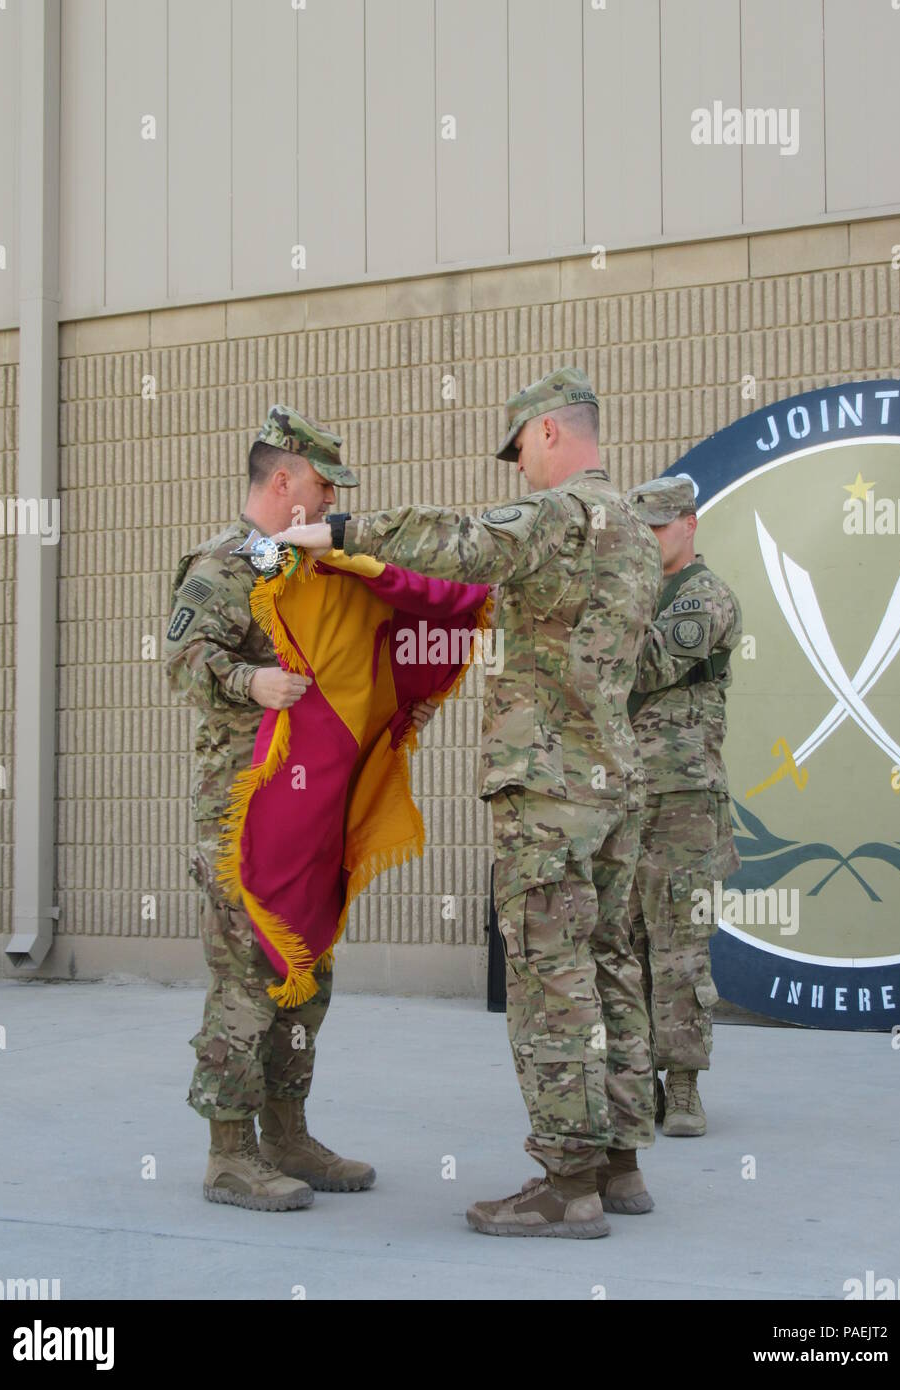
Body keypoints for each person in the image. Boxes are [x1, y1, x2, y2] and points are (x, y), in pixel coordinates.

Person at [276, 367, 662, 1239]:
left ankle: (566, 1186)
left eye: (519, 447)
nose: (519, 466)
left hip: (549, 788)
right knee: (609, 966)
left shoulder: (560, 513)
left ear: (551, 431)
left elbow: (463, 543)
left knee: (548, 976)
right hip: (613, 786)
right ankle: (620, 1165)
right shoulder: (637, 531)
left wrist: (342, 530)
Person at [164, 404, 435, 1212]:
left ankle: (286, 1135)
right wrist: (249, 681)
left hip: (310, 813)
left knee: (305, 974)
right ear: (282, 479)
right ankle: (228, 1153)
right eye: (322, 484)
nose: (330, 500)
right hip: (243, 817)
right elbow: (183, 656)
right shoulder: (225, 562)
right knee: (247, 975)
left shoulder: (312, 565)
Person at [626, 476, 742, 1136]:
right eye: (640, 529)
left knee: (678, 946)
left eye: (660, 527)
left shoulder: (704, 597)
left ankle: (684, 1085)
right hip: (621, 794)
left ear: (689, 524)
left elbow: (646, 666)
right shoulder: (632, 593)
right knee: (623, 942)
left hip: (682, 798)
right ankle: (635, 1081)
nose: (649, 539)